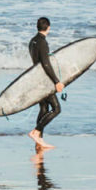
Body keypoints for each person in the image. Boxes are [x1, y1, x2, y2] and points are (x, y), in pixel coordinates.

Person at [27, 16, 65, 153]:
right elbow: (46, 64)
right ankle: (36, 132)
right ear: (48, 27)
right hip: (44, 81)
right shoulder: (42, 42)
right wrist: (56, 81)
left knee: (44, 108)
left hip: (36, 79)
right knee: (56, 109)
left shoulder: (32, 41)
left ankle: (39, 140)